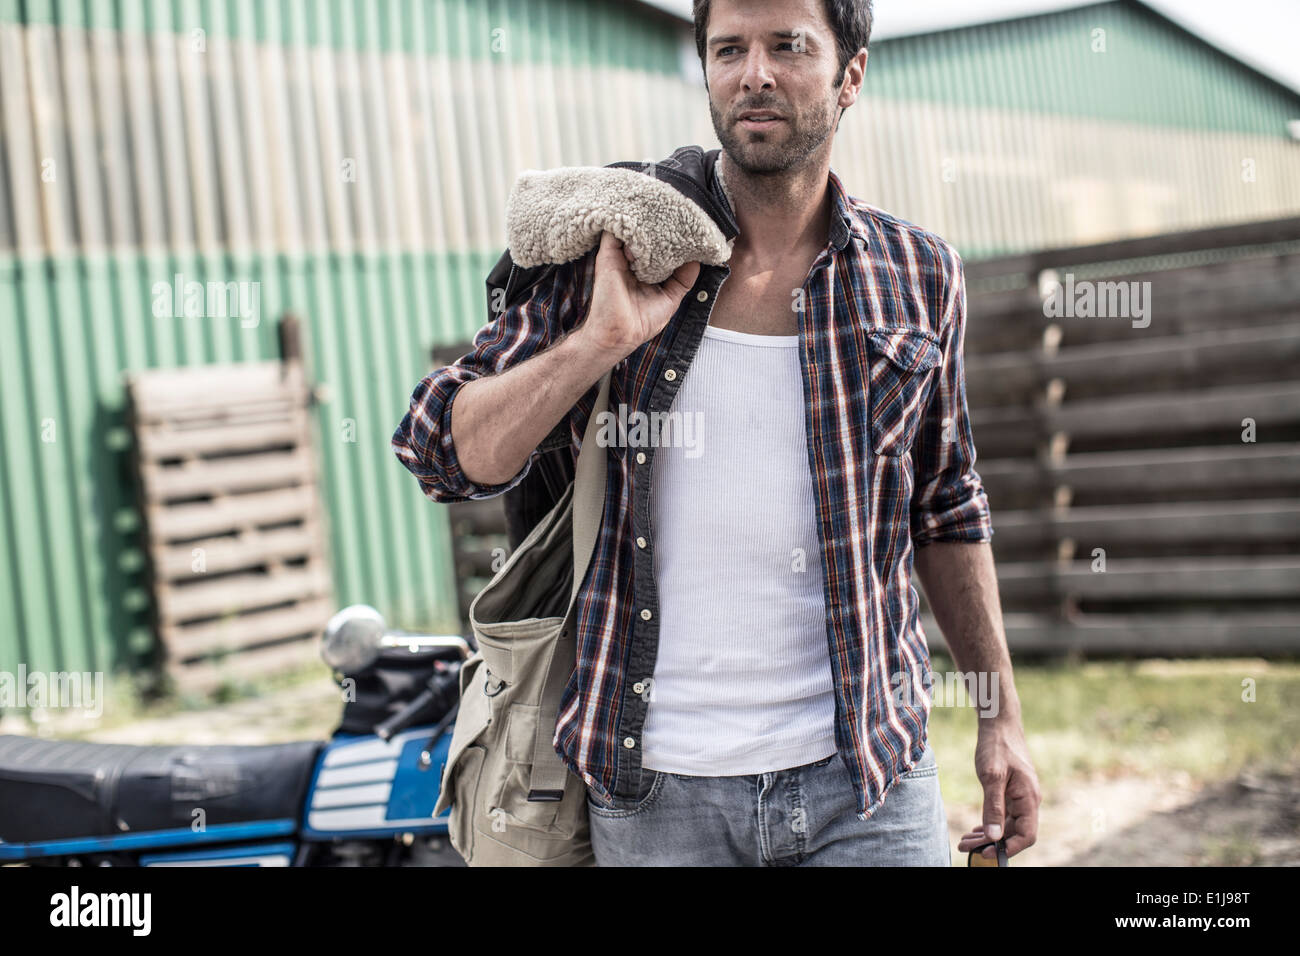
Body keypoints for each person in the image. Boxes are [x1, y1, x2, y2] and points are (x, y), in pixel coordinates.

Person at [393, 0, 1040, 866]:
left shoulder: (917, 274)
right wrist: (597, 344)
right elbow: (441, 451)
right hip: (657, 797)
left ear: (851, 74)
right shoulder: (616, 252)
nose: (754, 73)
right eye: (727, 49)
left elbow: (948, 504)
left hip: (868, 783)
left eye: (788, 46)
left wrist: (1000, 718)